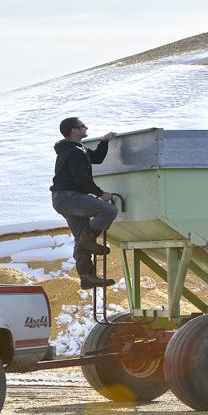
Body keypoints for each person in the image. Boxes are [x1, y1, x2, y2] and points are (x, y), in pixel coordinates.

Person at [52, 117, 120, 289]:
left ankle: (87, 276)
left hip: (62, 199)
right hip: (69, 196)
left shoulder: (76, 149)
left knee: (80, 237)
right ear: (74, 131)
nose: (86, 127)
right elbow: (81, 179)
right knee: (108, 211)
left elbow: (96, 158)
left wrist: (104, 141)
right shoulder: (74, 152)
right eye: (82, 126)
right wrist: (101, 193)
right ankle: (88, 242)